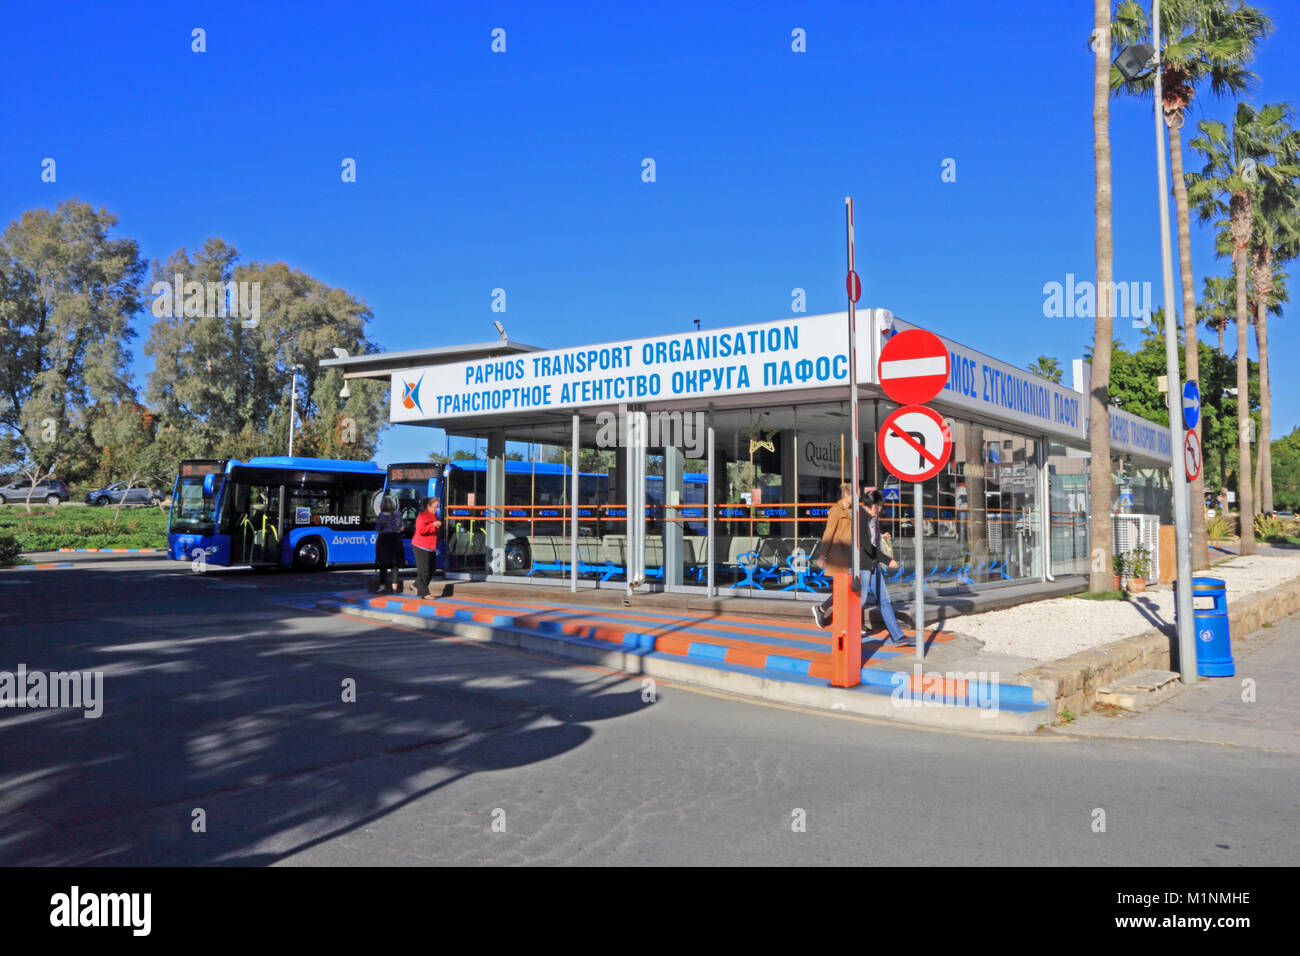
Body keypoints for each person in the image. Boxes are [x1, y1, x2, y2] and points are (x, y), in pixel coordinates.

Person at [811, 483, 910, 646]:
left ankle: (896, 636)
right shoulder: (842, 512)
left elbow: (869, 538)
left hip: (864, 560)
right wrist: (823, 554)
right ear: (847, 495)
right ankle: (844, 629)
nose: (857, 498)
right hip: (852, 560)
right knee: (855, 599)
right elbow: (831, 533)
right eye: (855, 495)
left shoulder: (859, 513)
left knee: (872, 598)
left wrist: (881, 538)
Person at [412, 496, 442, 599]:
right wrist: (433, 525)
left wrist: (438, 538)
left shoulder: (434, 516)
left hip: (430, 547)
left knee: (432, 569)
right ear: (428, 506)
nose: (436, 509)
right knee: (424, 570)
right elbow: (421, 530)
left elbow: (435, 532)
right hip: (421, 546)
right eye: (435, 506)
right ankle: (424, 592)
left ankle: (416, 585)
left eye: (437, 507)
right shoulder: (423, 516)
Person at [373, 495, 404, 593]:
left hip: (384, 540)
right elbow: (401, 528)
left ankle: (382, 586)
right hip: (395, 539)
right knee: (395, 564)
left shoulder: (381, 515)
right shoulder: (398, 514)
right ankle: (395, 586)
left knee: (383, 564)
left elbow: (377, 530)